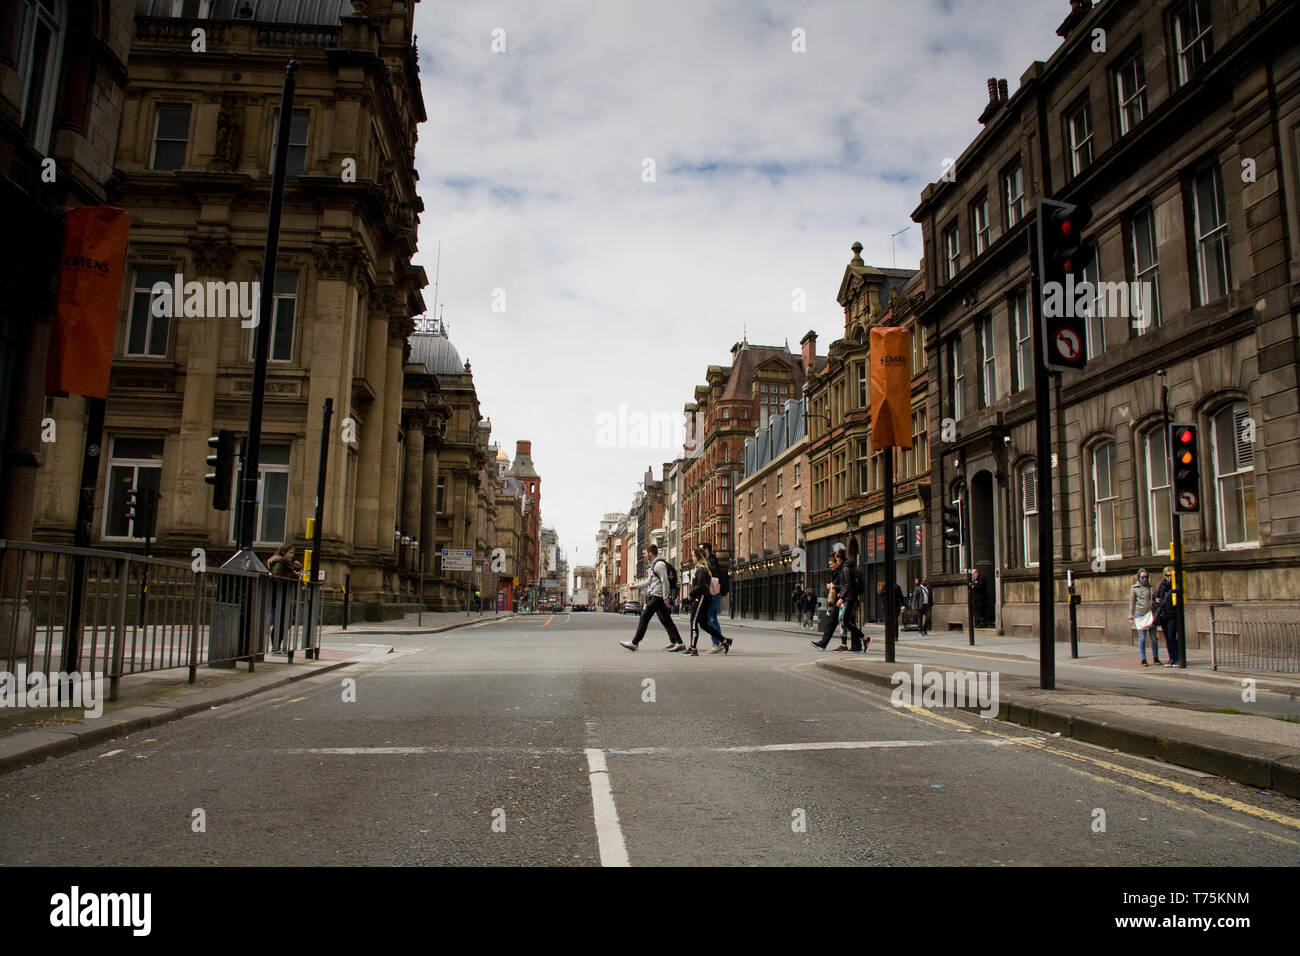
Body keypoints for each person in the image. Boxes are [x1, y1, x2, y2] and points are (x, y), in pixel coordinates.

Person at [620, 545, 685, 651]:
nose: (644, 555)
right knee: (666, 620)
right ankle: (678, 642)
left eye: (645, 553)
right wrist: (635, 586)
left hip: (657, 597)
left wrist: (665, 599)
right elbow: (649, 581)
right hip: (656, 596)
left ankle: (634, 643)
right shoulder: (653, 565)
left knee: (644, 618)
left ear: (650, 553)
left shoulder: (659, 565)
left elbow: (665, 582)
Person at [812, 545, 866, 652]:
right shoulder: (840, 570)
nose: (831, 566)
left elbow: (847, 586)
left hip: (845, 600)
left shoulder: (844, 570)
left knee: (844, 622)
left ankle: (862, 640)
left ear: (838, 561)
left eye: (832, 564)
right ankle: (854, 644)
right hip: (844, 600)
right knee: (843, 622)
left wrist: (835, 589)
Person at [684, 546, 730, 657]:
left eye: (693, 556)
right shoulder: (702, 568)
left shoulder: (701, 569)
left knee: (694, 622)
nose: (692, 558)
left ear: (697, 557)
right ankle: (724, 641)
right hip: (703, 598)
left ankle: (693, 648)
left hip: (701, 598)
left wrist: (691, 593)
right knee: (704, 624)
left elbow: (701, 586)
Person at [266, 542, 302, 653]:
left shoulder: (285, 563)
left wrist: (296, 569)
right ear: (283, 552)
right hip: (278, 597)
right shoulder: (279, 563)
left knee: (284, 622)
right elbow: (279, 578)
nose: (292, 555)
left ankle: (277, 646)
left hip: (283, 597)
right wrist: (293, 575)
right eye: (290, 553)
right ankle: (276, 647)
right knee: (280, 623)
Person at [701, 541, 728, 652]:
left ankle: (717, 642)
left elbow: (713, 580)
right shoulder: (711, 561)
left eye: (701, 549)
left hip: (713, 593)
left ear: (706, 550)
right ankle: (720, 641)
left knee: (708, 619)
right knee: (713, 618)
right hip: (716, 593)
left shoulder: (710, 563)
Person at [1129, 568, 1158, 666]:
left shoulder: (1151, 587)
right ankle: (1143, 658)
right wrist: (1131, 617)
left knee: (1153, 637)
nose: (1144, 579)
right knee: (1142, 637)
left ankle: (1155, 657)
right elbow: (1132, 603)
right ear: (1138, 577)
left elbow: (1156, 600)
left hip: (1150, 614)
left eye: (1146, 577)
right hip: (1140, 614)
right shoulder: (1134, 588)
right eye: (1142, 577)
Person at [1154, 565, 1178, 667]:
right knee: (1168, 638)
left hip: (1172, 614)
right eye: (1167, 575)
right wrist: (1156, 598)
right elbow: (1158, 596)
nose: (1169, 577)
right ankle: (1171, 658)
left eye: (1170, 575)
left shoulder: (1175, 585)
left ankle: (1176, 658)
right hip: (1163, 615)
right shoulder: (1162, 585)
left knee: (1171, 635)